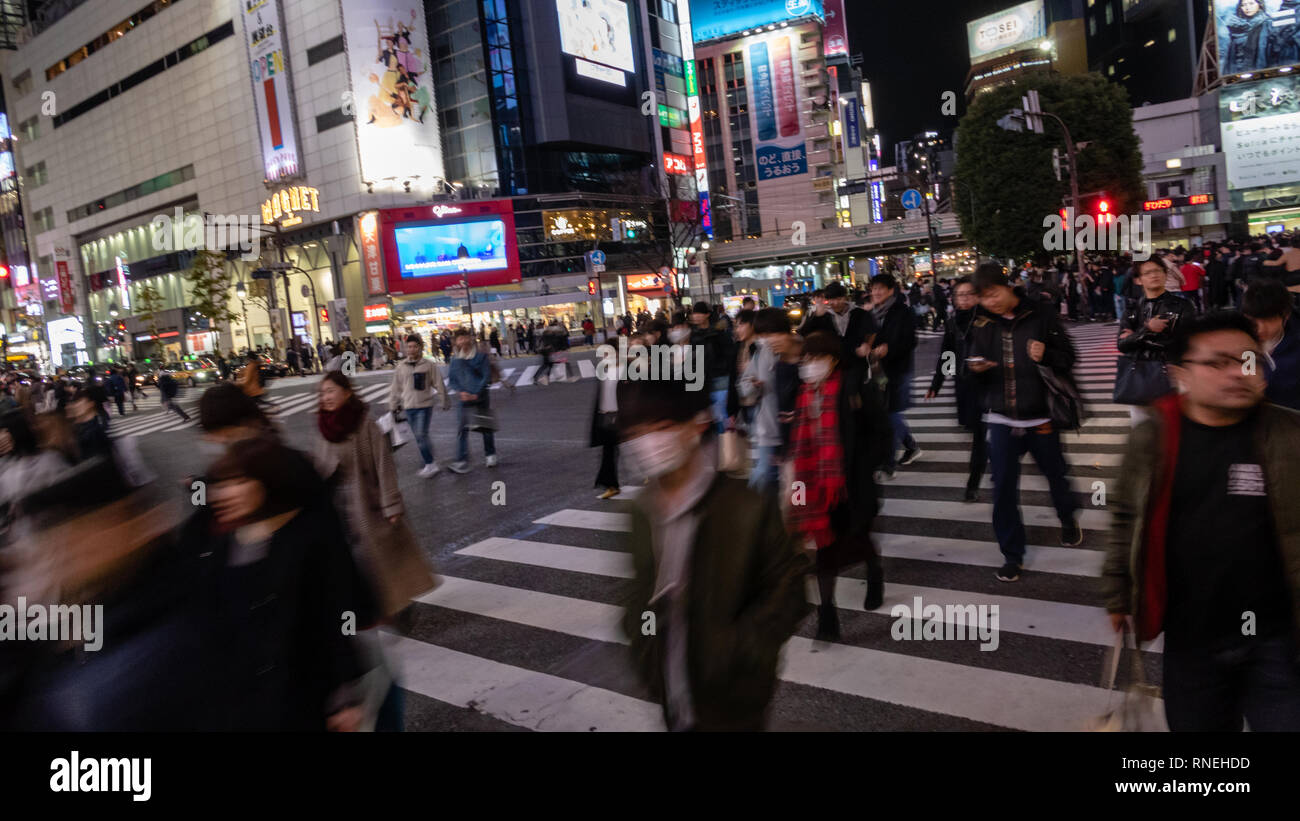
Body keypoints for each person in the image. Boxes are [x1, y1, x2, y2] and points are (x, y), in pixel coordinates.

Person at [1104, 312, 1300, 731]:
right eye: (1218, 362)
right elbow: (1125, 515)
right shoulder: (1154, 435)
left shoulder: (1289, 433)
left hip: (1277, 638)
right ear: (1180, 374)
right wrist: (1119, 591)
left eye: (1248, 361)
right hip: (1192, 639)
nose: (1238, 373)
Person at [618, 374, 810, 731]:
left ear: (696, 424)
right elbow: (636, 595)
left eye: (660, 426)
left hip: (735, 703)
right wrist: (644, 653)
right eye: (636, 433)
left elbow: (790, 592)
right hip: (671, 695)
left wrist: (736, 651)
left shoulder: (747, 507)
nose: (648, 442)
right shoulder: (641, 512)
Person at [968, 263, 1081, 582]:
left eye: (993, 294)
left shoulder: (1041, 314)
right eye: (983, 297)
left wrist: (1045, 354)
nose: (989, 302)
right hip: (1001, 417)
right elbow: (972, 361)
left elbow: (1069, 358)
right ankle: (1011, 554)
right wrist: (976, 368)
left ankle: (1068, 517)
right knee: (1002, 487)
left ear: (1008, 287)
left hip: (1040, 416)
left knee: (1055, 475)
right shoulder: (982, 322)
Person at [788, 332, 892, 640]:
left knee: (859, 537)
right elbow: (800, 442)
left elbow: (881, 430)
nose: (808, 365)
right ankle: (828, 613)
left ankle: (874, 571)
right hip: (818, 485)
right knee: (825, 550)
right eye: (805, 360)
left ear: (832, 360)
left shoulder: (853, 385)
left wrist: (867, 465)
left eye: (815, 359)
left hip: (851, 483)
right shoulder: (804, 392)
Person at [315, 371, 437, 626]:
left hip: (368, 503)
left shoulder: (364, 424)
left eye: (331, 391)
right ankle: (377, 609)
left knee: (382, 562)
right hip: (340, 507)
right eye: (322, 392)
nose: (325, 397)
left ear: (347, 393)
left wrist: (391, 504)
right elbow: (321, 467)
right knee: (355, 563)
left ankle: (401, 607)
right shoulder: (325, 426)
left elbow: (384, 465)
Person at [926, 276, 987, 502]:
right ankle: (979, 475)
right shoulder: (953, 322)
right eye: (960, 295)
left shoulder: (988, 317)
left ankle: (974, 481)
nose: (965, 299)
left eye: (969, 294)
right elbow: (947, 354)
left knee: (984, 434)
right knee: (978, 433)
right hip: (966, 384)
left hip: (990, 383)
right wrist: (936, 384)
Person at [1117, 258, 1193, 424]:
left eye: (1158, 270)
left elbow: (1186, 340)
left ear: (1165, 274)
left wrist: (1135, 336)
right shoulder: (1132, 310)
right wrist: (1148, 329)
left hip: (1173, 374)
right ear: (1138, 280)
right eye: (1147, 272)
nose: (1154, 275)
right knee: (1142, 434)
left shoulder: (1182, 305)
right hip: (1140, 375)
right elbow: (1122, 345)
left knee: (1176, 431)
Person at [866, 273, 921, 475]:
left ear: (891, 290)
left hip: (898, 369)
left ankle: (888, 461)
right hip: (879, 370)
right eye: (874, 288)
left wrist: (890, 348)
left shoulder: (903, 311)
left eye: (881, 288)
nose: (877, 292)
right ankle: (911, 446)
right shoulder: (872, 313)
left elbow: (911, 341)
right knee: (888, 411)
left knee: (890, 412)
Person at [389, 334, 450, 477]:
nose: (411, 349)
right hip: (409, 406)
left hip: (425, 405)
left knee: (421, 435)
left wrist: (444, 400)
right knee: (420, 437)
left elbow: (438, 383)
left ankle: (430, 464)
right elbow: (396, 388)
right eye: (409, 347)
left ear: (420, 348)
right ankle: (430, 461)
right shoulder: (401, 366)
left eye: (414, 346)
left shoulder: (428, 365)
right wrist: (393, 405)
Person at [1243, 278, 1300, 410]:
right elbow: (1247, 373)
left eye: (1268, 320)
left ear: (1285, 317)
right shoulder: (1244, 344)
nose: (1260, 329)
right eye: (1253, 321)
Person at [447, 329, 497, 473]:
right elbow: (452, 379)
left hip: (480, 397)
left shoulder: (480, 357)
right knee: (462, 429)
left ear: (470, 338)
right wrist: (460, 391)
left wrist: (476, 393)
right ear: (456, 342)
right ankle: (461, 460)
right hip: (464, 398)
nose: (462, 341)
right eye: (459, 339)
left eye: (464, 338)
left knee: (485, 425)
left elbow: (486, 376)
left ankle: (490, 453)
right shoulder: (455, 359)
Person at [690, 301, 735, 435]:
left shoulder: (718, 331)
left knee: (721, 412)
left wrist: (726, 369)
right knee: (710, 414)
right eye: (694, 313)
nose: (696, 316)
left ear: (707, 314)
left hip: (720, 376)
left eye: (699, 313)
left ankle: (726, 439)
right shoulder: (693, 334)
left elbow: (728, 352)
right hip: (703, 378)